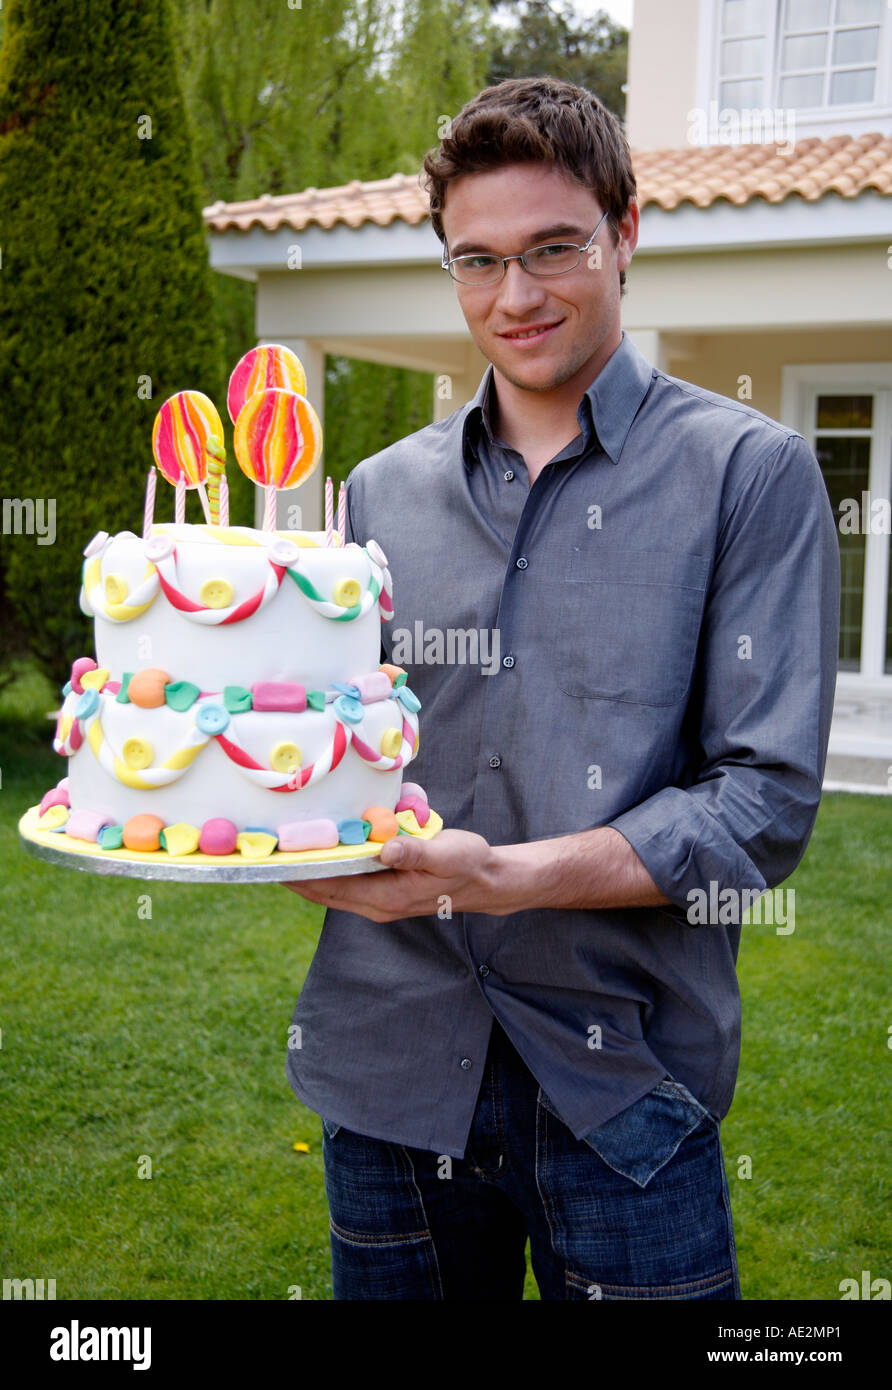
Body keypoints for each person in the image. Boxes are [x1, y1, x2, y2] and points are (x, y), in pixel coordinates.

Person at [283, 75, 840, 1301]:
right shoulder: (377, 493)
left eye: (553, 249)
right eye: (475, 261)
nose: (514, 297)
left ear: (627, 230)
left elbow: (763, 805)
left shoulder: (751, 475)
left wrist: (505, 877)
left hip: (623, 1086)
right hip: (388, 1072)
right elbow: (342, 744)